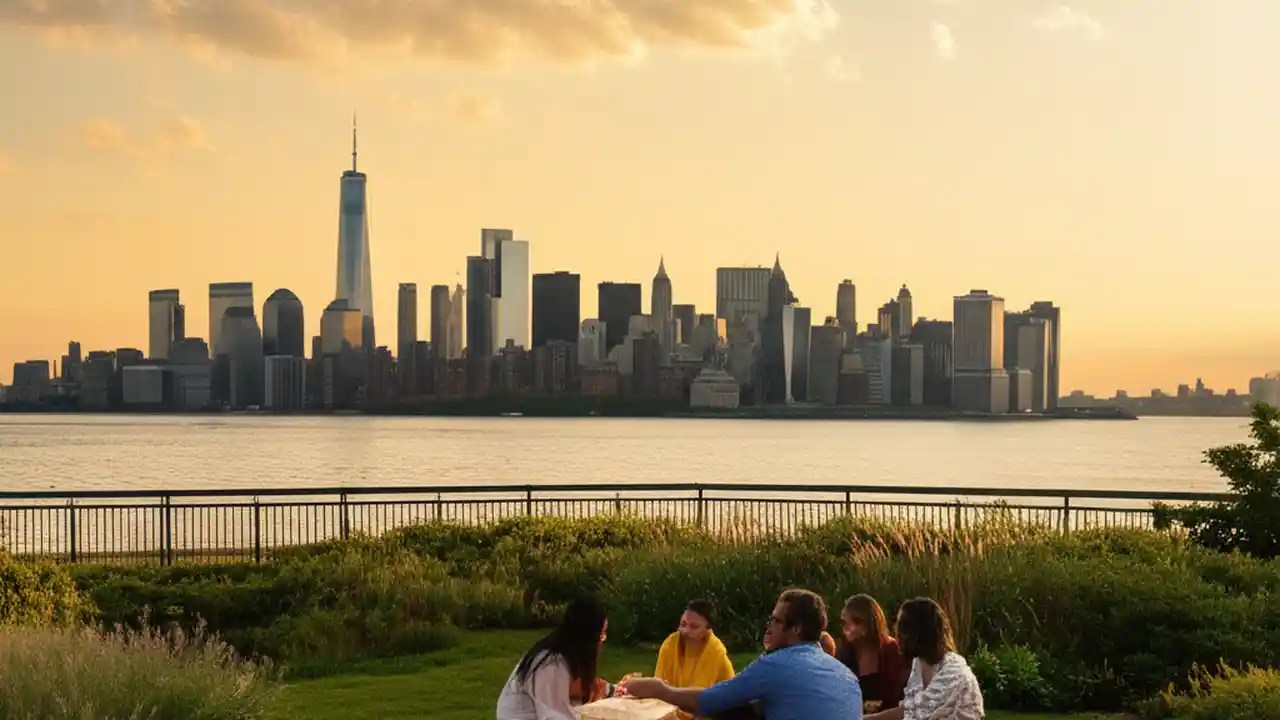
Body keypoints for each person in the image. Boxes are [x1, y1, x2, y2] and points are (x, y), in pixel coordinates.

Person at [624, 589, 863, 720]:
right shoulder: (846, 675)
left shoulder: (778, 664)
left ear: (795, 629)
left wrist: (659, 689)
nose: (769, 627)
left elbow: (710, 701)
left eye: (776, 621)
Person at [865, 597, 984, 720]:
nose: (896, 631)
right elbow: (910, 710)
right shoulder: (919, 664)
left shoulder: (953, 674)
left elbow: (922, 713)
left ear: (916, 632)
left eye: (901, 625)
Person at [497, 596, 613, 720]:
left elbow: (577, 688)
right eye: (602, 634)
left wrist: (613, 690)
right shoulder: (551, 665)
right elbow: (555, 716)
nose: (602, 640)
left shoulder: (564, 658)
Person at [654, 600, 735, 718]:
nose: (686, 631)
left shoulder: (717, 653)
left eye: (694, 627)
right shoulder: (669, 645)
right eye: (683, 624)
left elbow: (730, 697)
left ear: (708, 629)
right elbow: (658, 688)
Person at [836, 594, 907, 713]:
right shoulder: (844, 655)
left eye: (854, 622)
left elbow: (904, 696)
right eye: (844, 623)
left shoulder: (892, 650)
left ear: (868, 624)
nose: (846, 628)